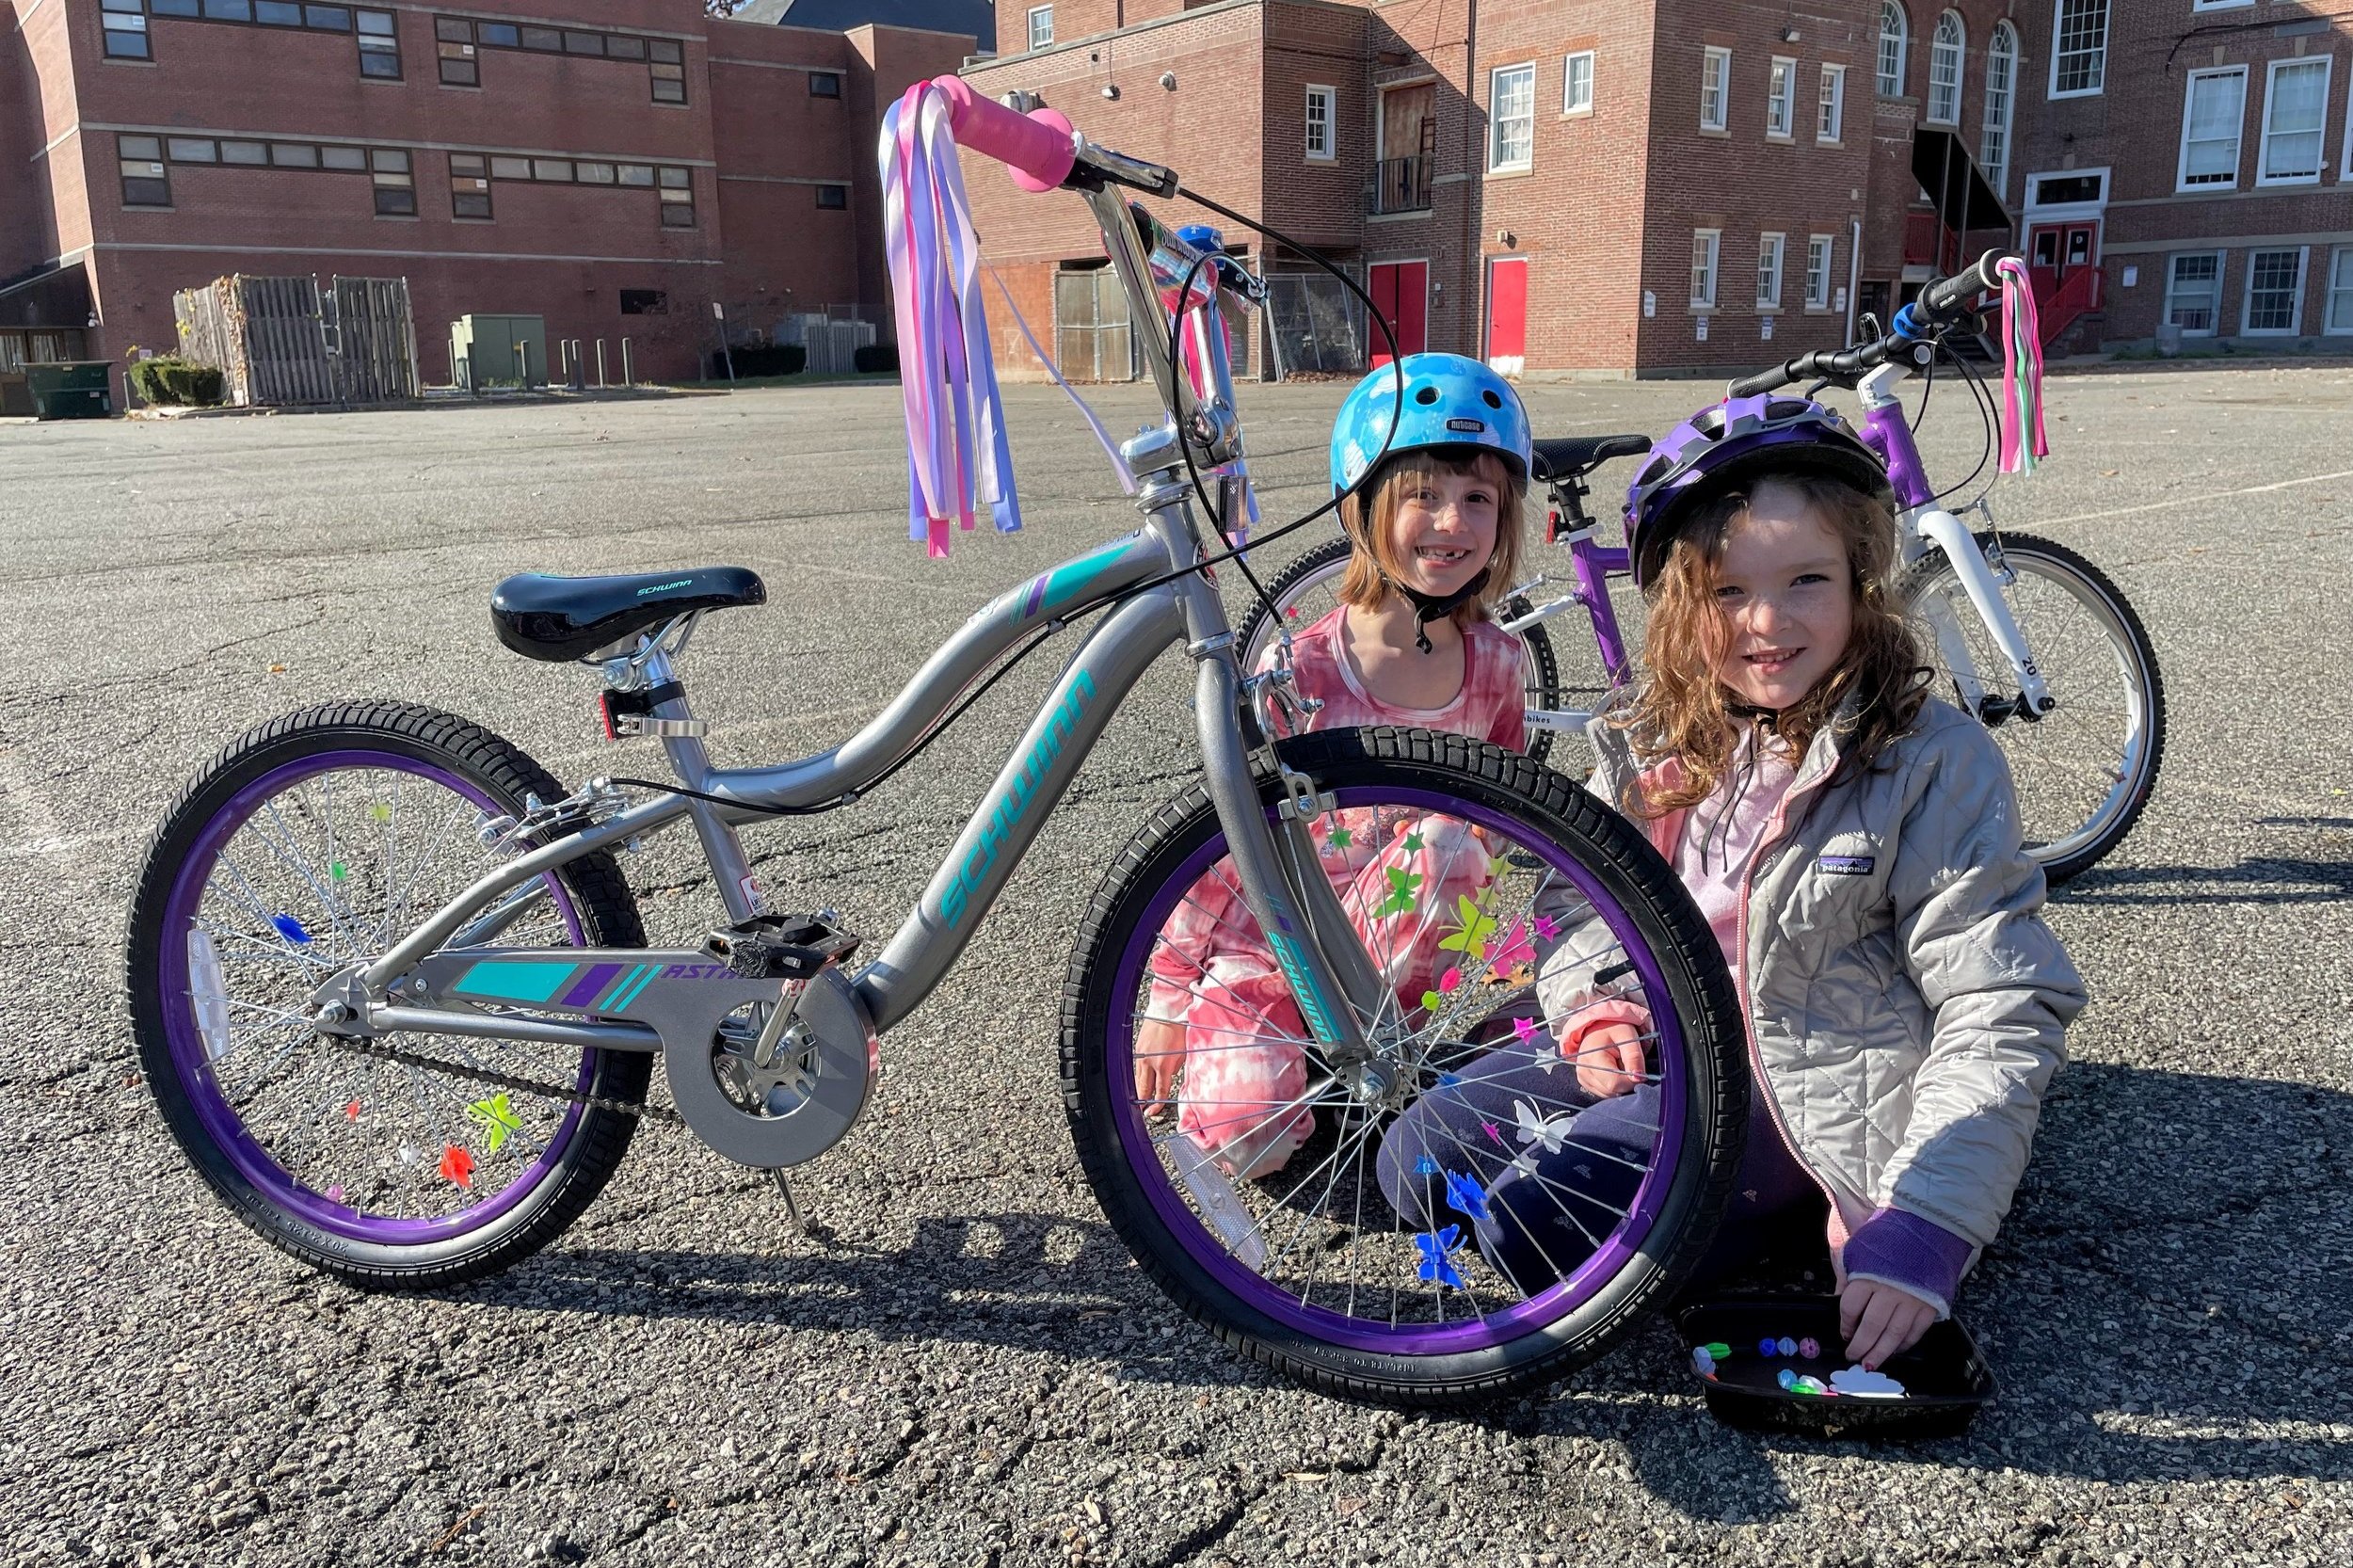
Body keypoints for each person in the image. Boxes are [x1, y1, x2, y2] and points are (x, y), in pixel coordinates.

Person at [1379, 393, 2086, 1368]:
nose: (1765, 623)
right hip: (1668, 1043)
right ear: (1679, 601)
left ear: (1859, 582)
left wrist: (1928, 1218)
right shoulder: (1649, 731)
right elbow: (1574, 900)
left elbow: (1999, 1000)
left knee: (1533, 1220)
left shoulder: (1932, 760)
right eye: (1724, 593)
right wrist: (1596, 1009)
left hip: (1804, 1082)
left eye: (1805, 580)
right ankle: (1665, 1188)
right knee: (1413, 1159)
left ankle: (1824, 1219)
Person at [1133, 353, 1533, 1177]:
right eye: (1420, 495)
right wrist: (1170, 1000)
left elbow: (1511, 814)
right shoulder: (1300, 668)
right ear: (1363, 510)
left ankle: (1372, 1042)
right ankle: (1264, 1042)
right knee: (1247, 1142)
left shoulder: (1497, 665)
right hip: (1268, 942)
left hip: (1383, 948)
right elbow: (1224, 844)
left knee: (1459, 847)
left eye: (1477, 500)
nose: (1451, 523)